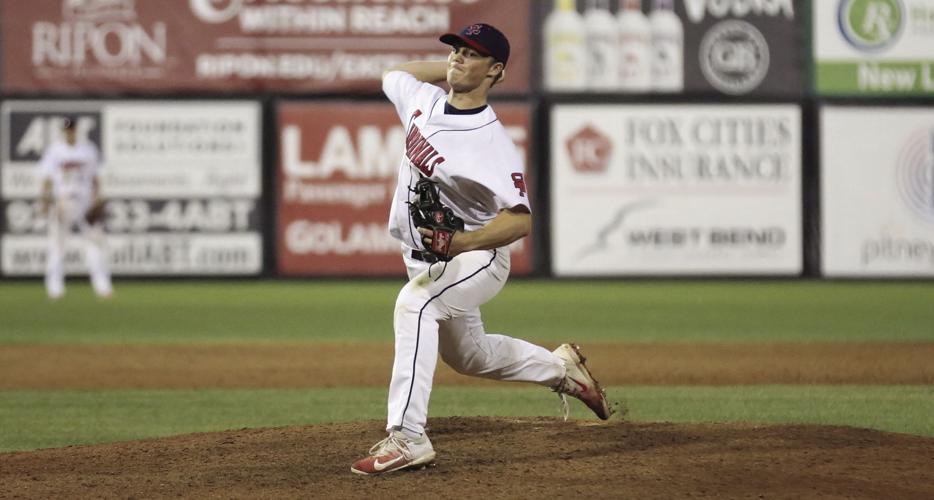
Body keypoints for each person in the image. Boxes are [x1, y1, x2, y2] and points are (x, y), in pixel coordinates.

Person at [350, 23, 613, 476]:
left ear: (496, 71)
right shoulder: (424, 100)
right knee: (470, 355)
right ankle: (561, 369)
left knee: (415, 304)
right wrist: (453, 70)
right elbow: (393, 72)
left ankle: (409, 437)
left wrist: (463, 242)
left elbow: (520, 220)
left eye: (472, 54)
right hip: (425, 256)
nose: (457, 57)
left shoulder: (493, 144)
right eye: (456, 49)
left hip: (477, 258)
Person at [38, 116, 113, 300]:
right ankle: (54, 288)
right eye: (67, 128)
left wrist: (97, 200)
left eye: (72, 128)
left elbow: (96, 177)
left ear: (77, 129)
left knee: (95, 244)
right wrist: (45, 201)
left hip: (85, 201)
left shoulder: (88, 150)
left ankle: (102, 287)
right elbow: (47, 178)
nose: (70, 131)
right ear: (63, 131)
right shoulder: (55, 151)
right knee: (57, 245)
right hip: (63, 201)